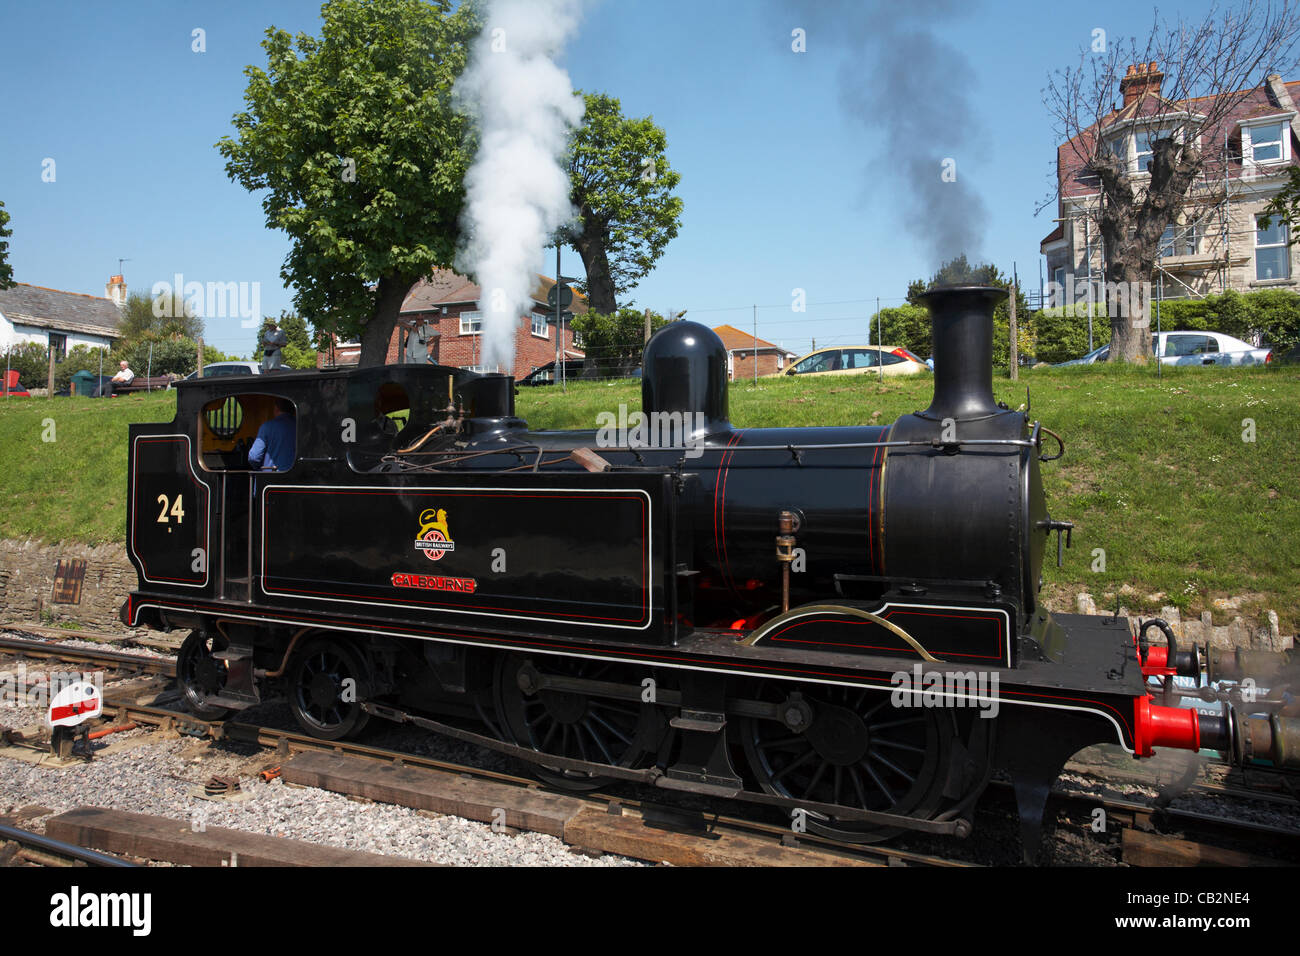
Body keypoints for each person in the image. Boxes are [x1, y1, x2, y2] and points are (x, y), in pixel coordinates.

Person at [248, 398, 296, 472]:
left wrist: (259, 469)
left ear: (276, 408)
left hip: (270, 477)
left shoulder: (266, 427)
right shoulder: (302, 426)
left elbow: (254, 457)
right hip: (297, 477)